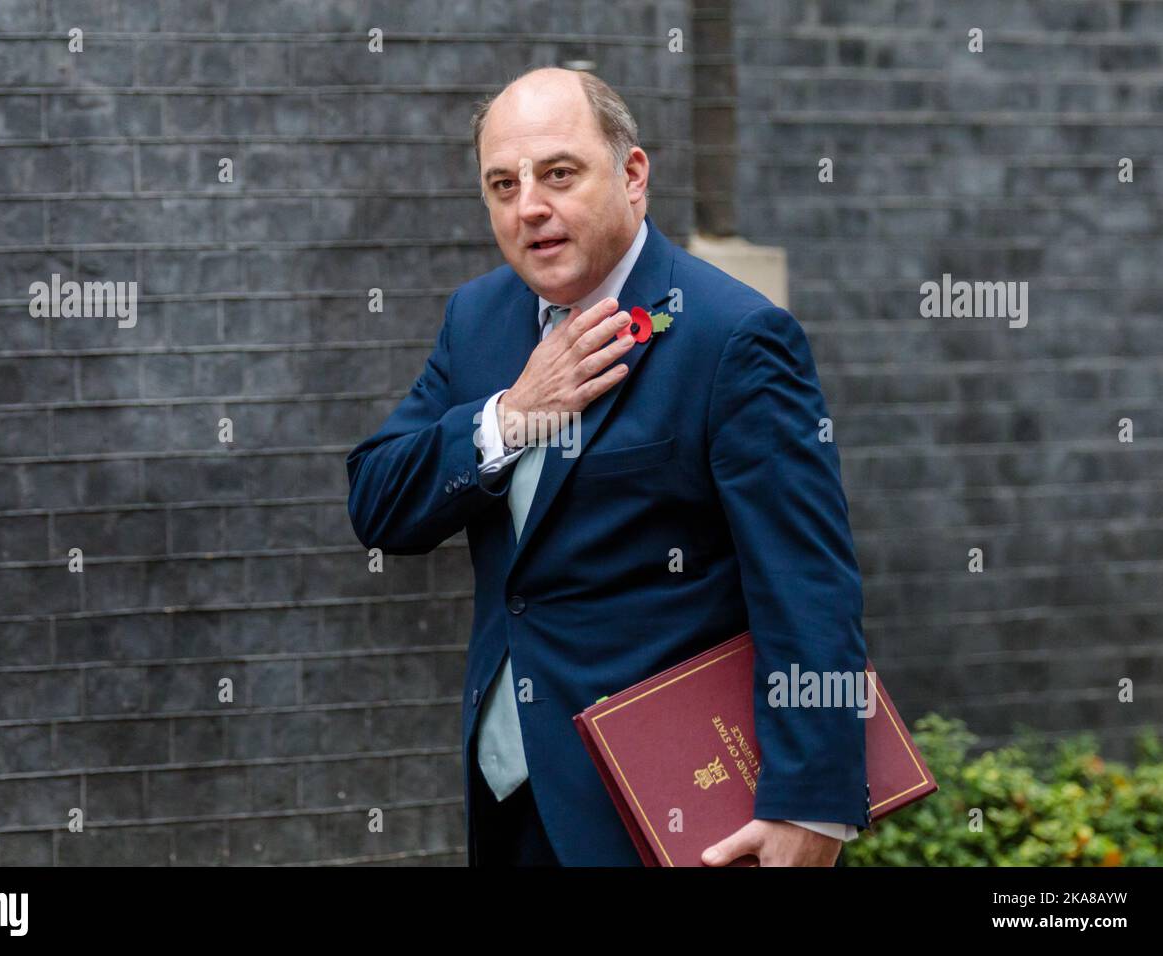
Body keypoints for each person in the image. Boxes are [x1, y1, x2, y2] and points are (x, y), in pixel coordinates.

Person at [346, 66, 870, 866]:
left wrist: (813, 803)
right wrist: (512, 417)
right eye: (502, 184)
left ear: (632, 175)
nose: (530, 207)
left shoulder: (735, 337)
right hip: (509, 802)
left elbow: (807, 585)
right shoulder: (477, 318)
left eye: (559, 173)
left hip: (670, 811)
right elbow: (379, 502)